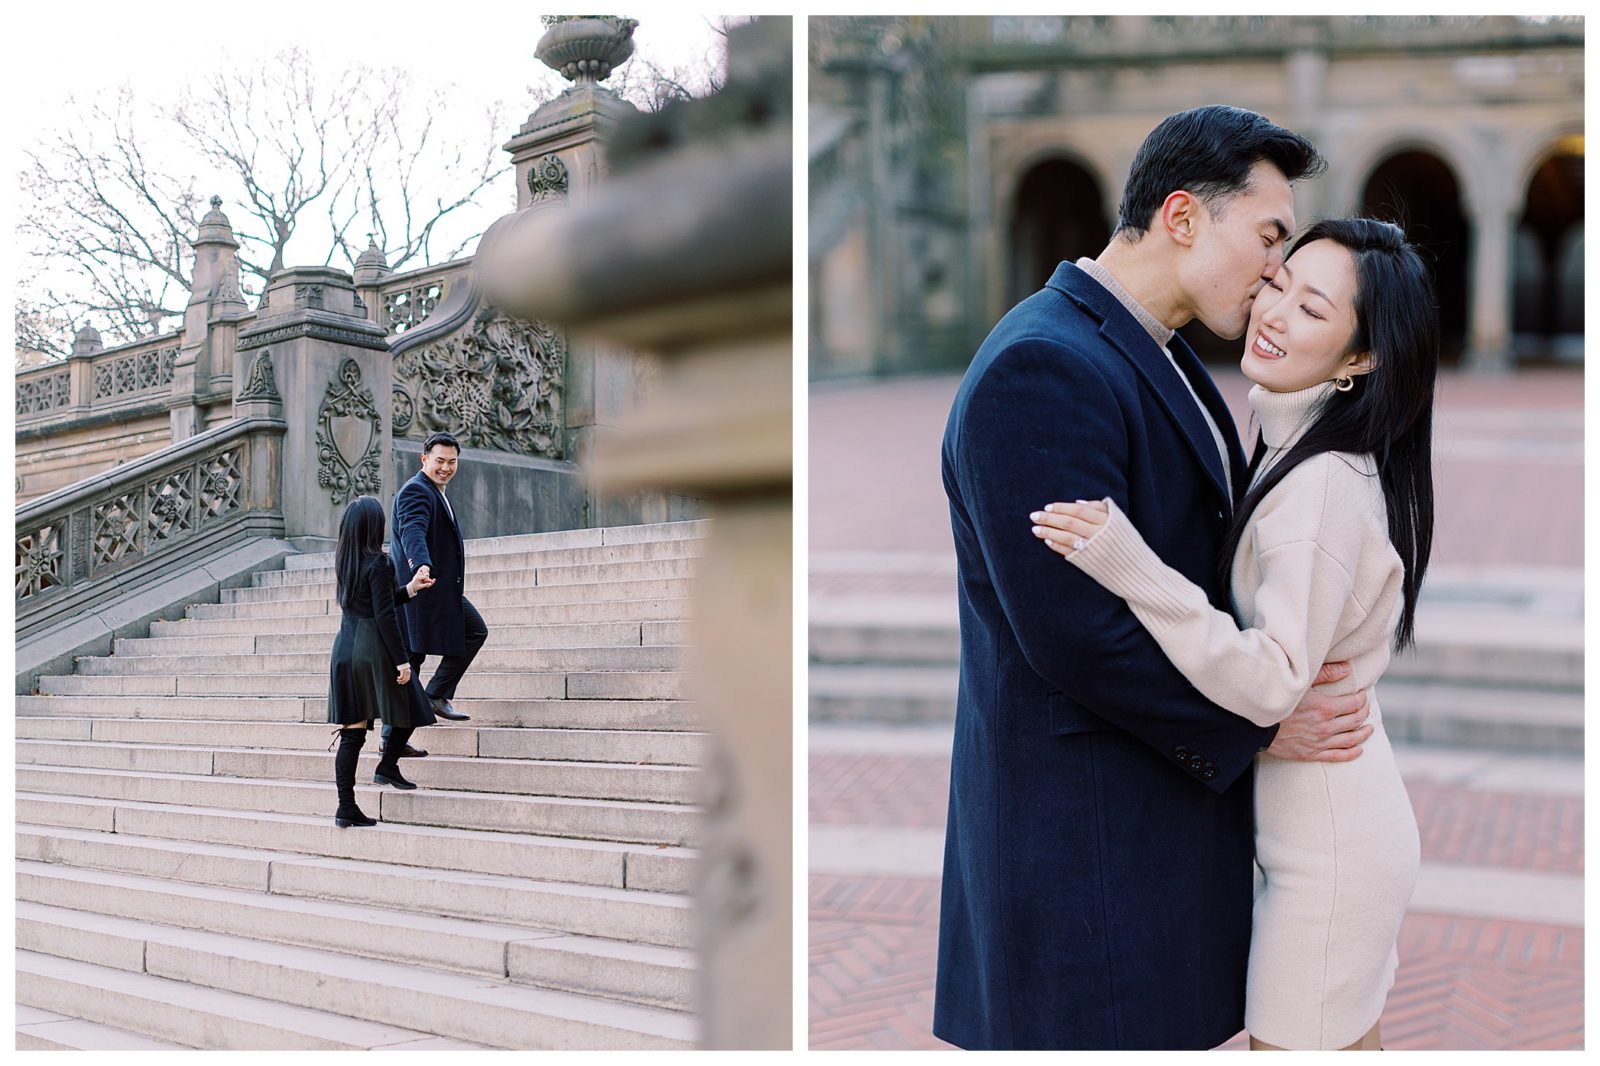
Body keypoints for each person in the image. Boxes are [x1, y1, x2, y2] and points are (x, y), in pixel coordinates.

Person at [933, 105, 1376, 1051]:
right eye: (1269, 236)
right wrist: (1259, 726)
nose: (1276, 270)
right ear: (1182, 217)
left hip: (1145, 843)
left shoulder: (1159, 353)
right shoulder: (1043, 365)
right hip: (1083, 861)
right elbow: (1077, 636)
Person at [1032, 217, 1435, 1050]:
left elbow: (1273, 679)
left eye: (1313, 309)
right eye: (1279, 284)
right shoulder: (1298, 448)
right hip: (1326, 837)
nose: (1274, 312)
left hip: (1330, 857)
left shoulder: (1319, 486)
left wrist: (1131, 567)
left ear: (1361, 359)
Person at [328, 495, 436, 827]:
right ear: (374, 526)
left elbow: (378, 601)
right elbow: (385, 616)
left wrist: (411, 588)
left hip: (345, 649)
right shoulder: (379, 562)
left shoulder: (345, 561)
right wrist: (402, 662)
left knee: (352, 733)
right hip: (372, 648)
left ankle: (346, 806)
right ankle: (387, 765)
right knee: (415, 704)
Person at [390, 432, 483, 752]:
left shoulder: (435, 491)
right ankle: (431, 698)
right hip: (421, 587)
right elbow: (412, 529)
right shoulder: (416, 490)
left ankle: (430, 700)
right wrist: (421, 564)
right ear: (424, 459)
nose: (446, 467)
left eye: (452, 462)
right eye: (439, 461)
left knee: (413, 657)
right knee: (414, 657)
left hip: (437, 589)